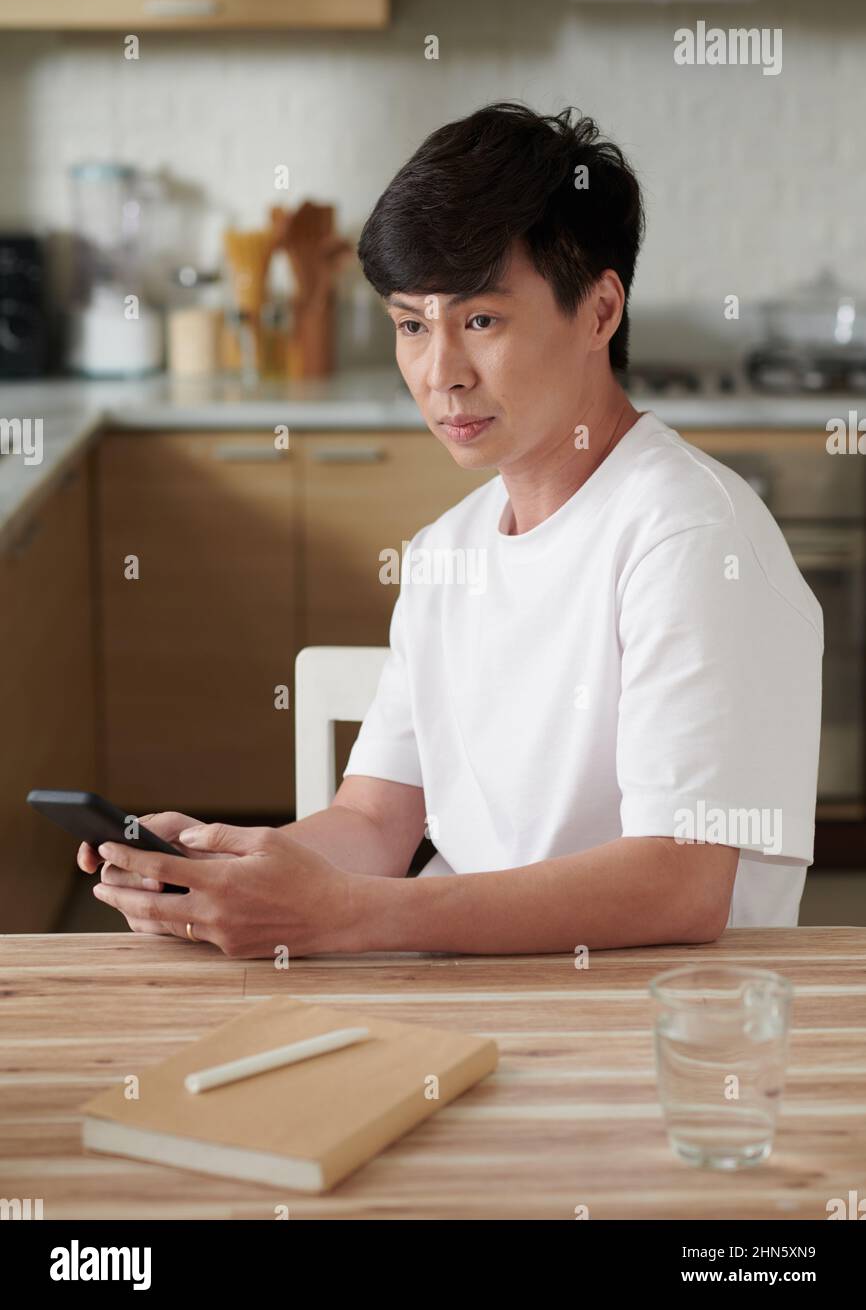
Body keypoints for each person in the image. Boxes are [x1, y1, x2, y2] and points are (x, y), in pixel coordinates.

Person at [79, 103, 823, 957]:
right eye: (410, 325)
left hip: (644, 1033)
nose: (440, 375)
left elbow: (681, 883)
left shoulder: (688, 535)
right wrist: (226, 869)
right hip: (470, 1000)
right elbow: (374, 819)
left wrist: (348, 916)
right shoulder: (447, 551)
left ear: (600, 311)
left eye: (480, 321)